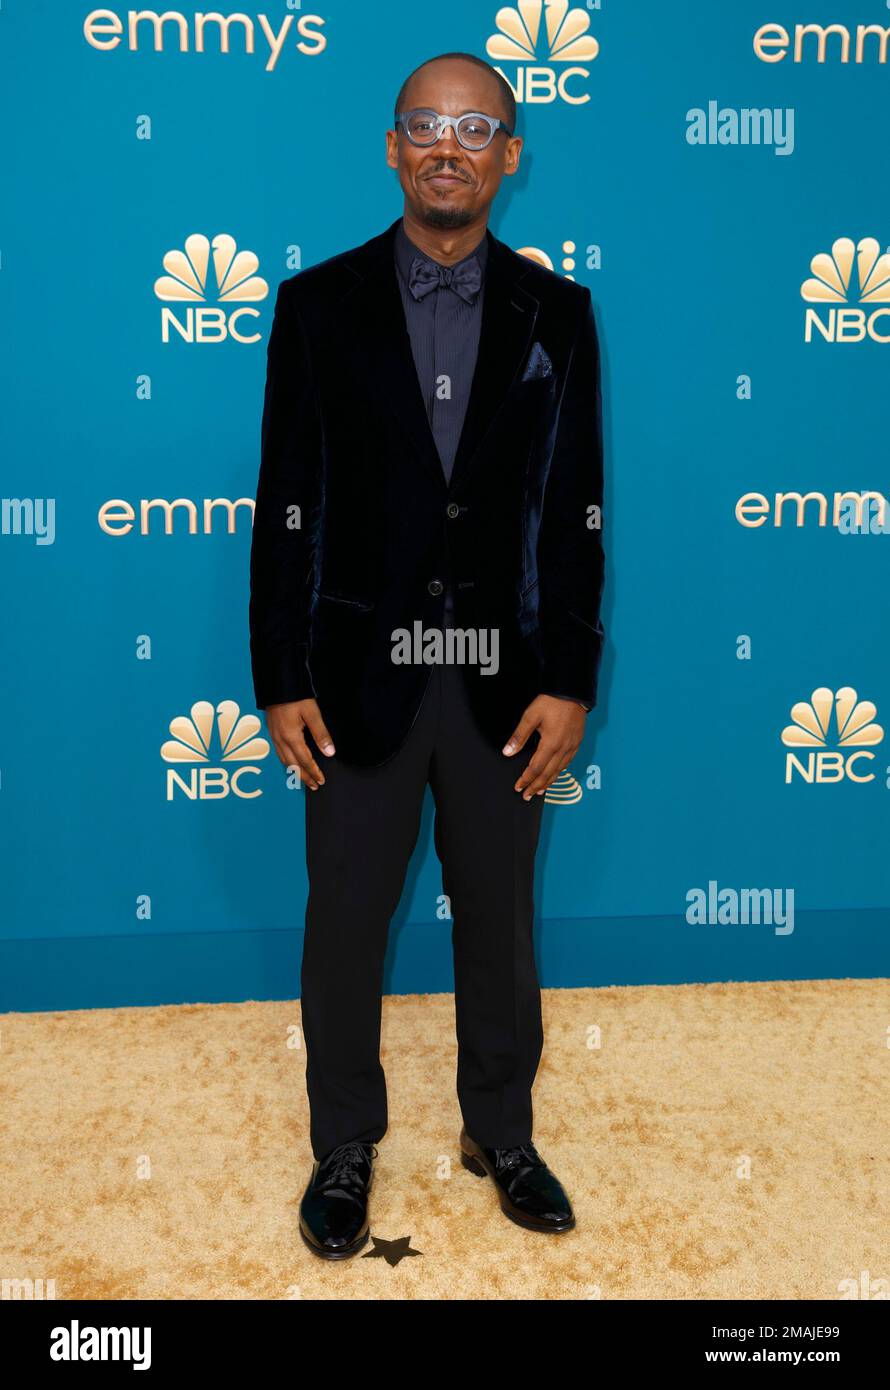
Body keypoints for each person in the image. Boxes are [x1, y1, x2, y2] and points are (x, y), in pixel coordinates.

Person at [249, 50, 605, 1259]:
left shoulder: (557, 315)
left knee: (500, 921)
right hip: (356, 678)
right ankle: (343, 1143)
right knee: (344, 919)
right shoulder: (314, 305)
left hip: (506, 683)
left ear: (509, 154)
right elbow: (283, 500)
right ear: (391, 148)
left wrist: (569, 677)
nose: (447, 144)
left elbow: (572, 505)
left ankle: (496, 1129)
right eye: (423, 123)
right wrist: (281, 674)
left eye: (474, 126)